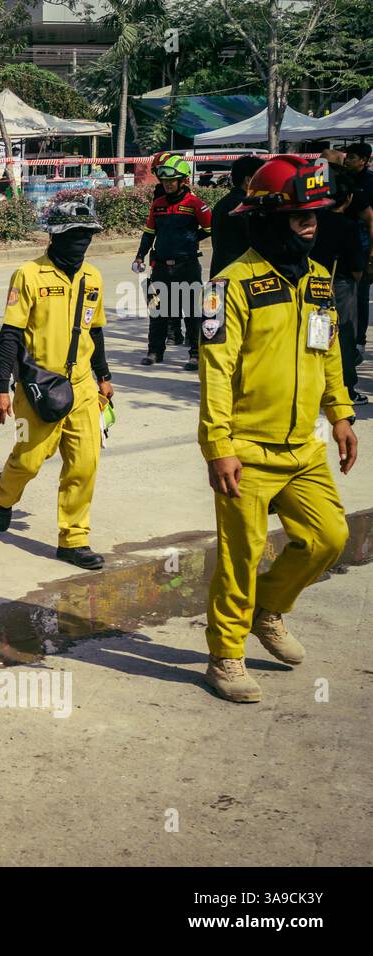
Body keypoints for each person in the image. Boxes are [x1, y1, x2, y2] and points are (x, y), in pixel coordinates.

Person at [198, 155, 357, 703]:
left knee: (328, 538)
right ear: (267, 218)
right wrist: (219, 446)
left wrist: (340, 414)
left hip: (303, 447)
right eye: (298, 216)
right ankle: (225, 654)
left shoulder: (318, 281)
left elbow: (328, 351)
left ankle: (268, 609)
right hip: (244, 445)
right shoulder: (229, 285)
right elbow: (216, 371)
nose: (311, 224)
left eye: (314, 215)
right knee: (241, 552)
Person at [0, 195, 114, 570]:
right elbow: (10, 333)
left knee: (84, 463)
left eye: (87, 234)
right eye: (74, 233)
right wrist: (0, 386)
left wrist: (104, 377)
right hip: (37, 386)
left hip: (82, 386)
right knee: (28, 460)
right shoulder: (28, 274)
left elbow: (97, 330)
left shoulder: (93, 277)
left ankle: (73, 539)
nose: (81, 241)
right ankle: (4, 492)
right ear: (56, 235)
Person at [134, 154, 212, 369]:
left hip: (187, 265)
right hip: (160, 266)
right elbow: (149, 233)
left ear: (183, 181)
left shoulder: (195, 204)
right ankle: (154, 352)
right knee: (158, 310)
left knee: (192, 312)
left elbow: (210, 228)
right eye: (165, 181)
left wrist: (191, 239)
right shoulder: (158, 204)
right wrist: (140, 255)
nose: (167, 185)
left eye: (172, 181)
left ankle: (195, 355)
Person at [311, 166, 367, 404]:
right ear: (349, 198)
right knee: (342, 336)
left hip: (313, 281)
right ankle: (345, 390)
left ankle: (316, 385)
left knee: (315, 335)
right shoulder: (348, 226)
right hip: (340, 284)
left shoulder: (314, 219)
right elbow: (356, 266)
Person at [209, 155, 266, 277]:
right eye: (262, 177)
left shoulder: (221, 203)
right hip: (240, 277)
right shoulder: (247, 206)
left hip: (219, 272)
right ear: (248, 180)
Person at [342, 143, 373, 351]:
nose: (346, 160)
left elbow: (371, 219)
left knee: (361, 293)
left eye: (351, 157)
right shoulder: (343, 177)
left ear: (364, 160)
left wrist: (371, 252)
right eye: (346, 156)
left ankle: (359, 340)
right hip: (343, 243)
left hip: (363, 245)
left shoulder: (370, 182)